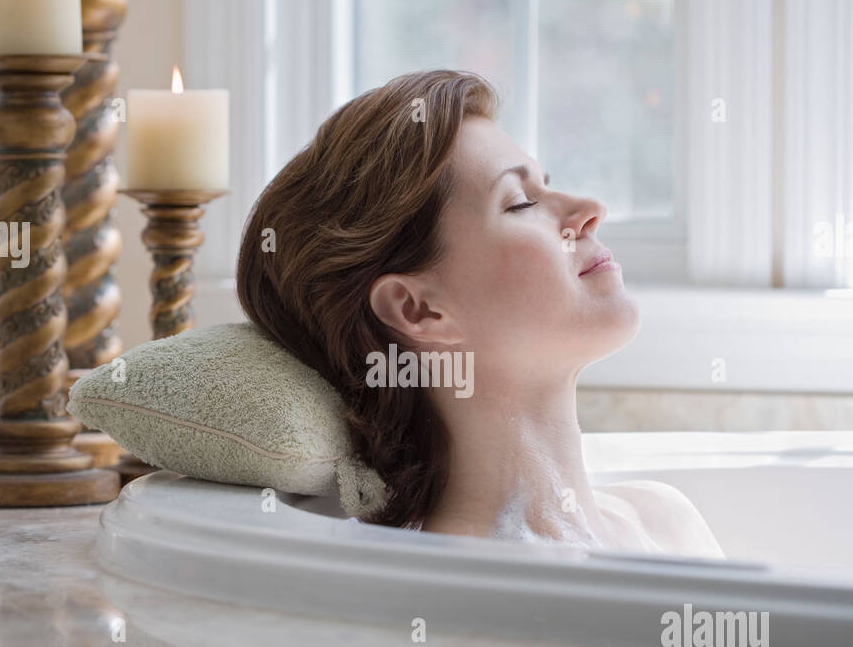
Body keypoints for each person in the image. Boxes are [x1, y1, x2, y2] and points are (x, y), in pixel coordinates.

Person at [237, 69, 723, 557]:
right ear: (419, 309)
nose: (591, 208)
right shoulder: (465, 590)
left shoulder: (662, 516)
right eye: (521, 203)